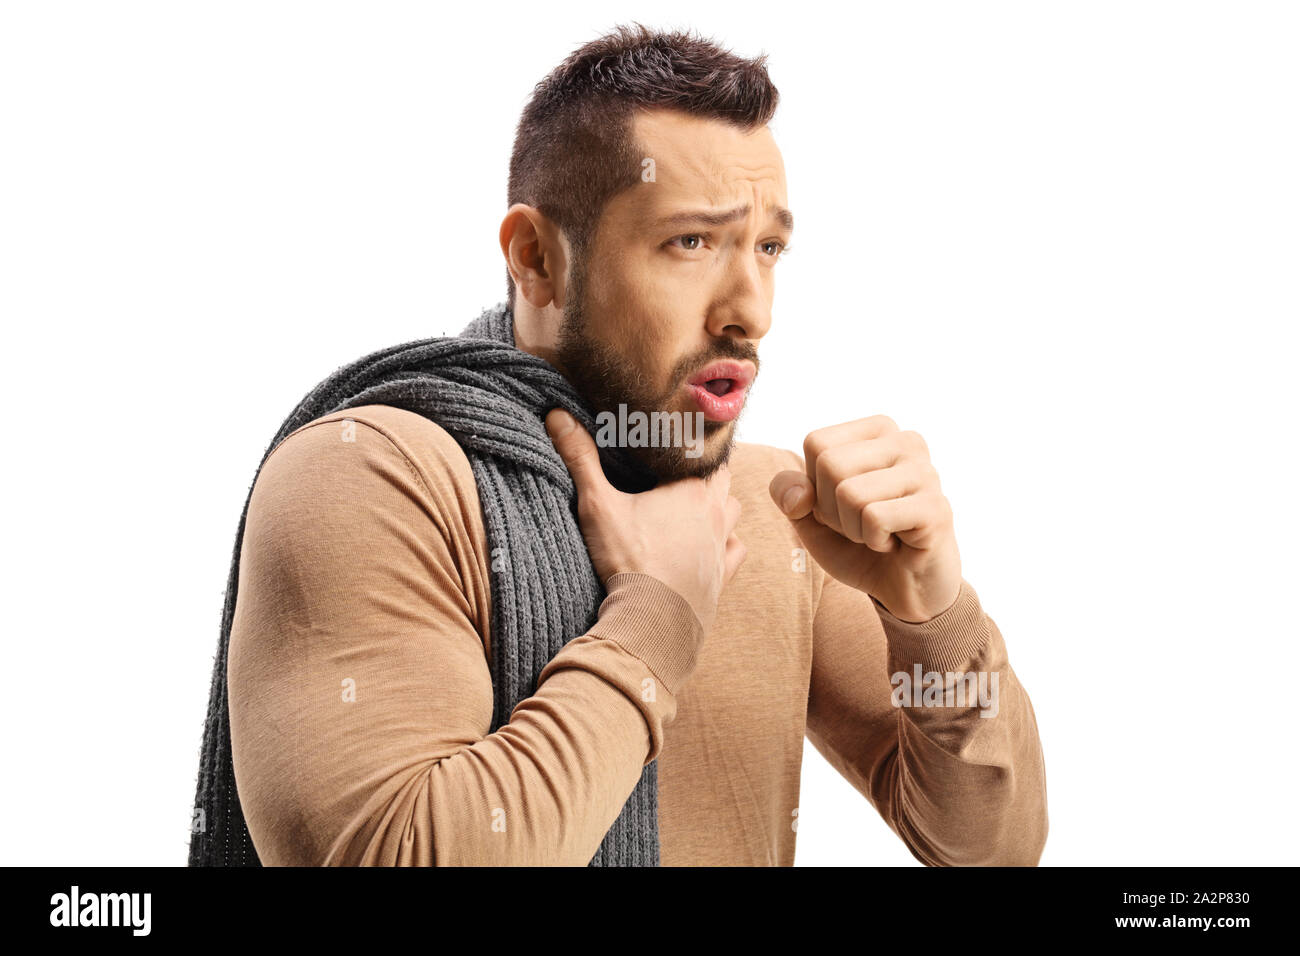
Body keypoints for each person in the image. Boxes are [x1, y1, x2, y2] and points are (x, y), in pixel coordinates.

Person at [220, 23, 1048, 866]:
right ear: (537, 259)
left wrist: (933, 611)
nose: (752, 310)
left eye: (768, 249)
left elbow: (991, 849)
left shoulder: (772, 513)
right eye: (691, 242)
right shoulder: (374, 475)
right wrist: (654, 621)